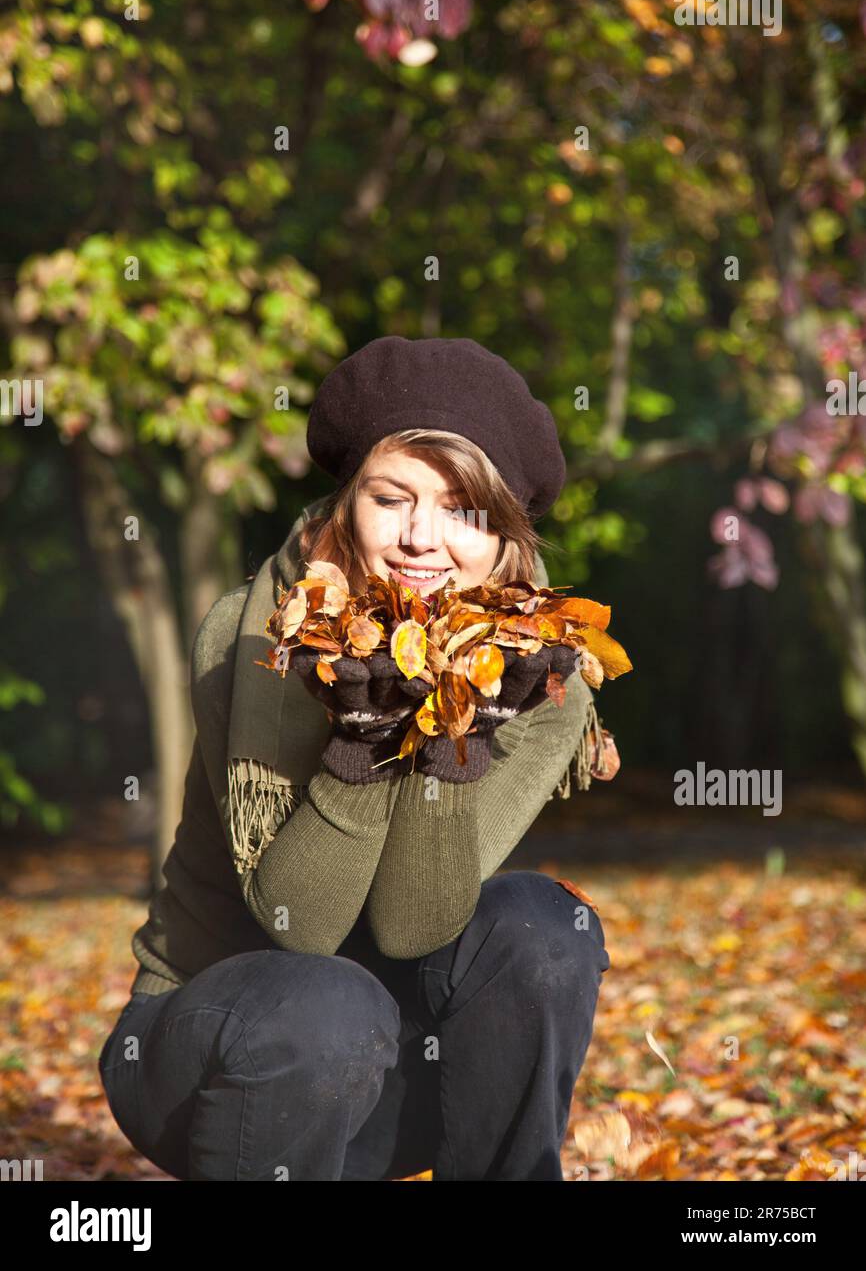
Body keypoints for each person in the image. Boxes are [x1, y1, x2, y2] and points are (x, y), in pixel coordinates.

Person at [98, 335, 612, 1181]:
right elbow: (301, 926)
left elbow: (416, 925)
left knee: (542, 929)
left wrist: (451, 738)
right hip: (213, 1052)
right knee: (331, 1003)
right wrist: (364, 739)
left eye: (465, 510)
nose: (422, 538)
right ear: (348, 503)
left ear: (505, 534)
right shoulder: (254, 635)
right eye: (391, 497)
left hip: (399, 1073)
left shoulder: (537, 671)